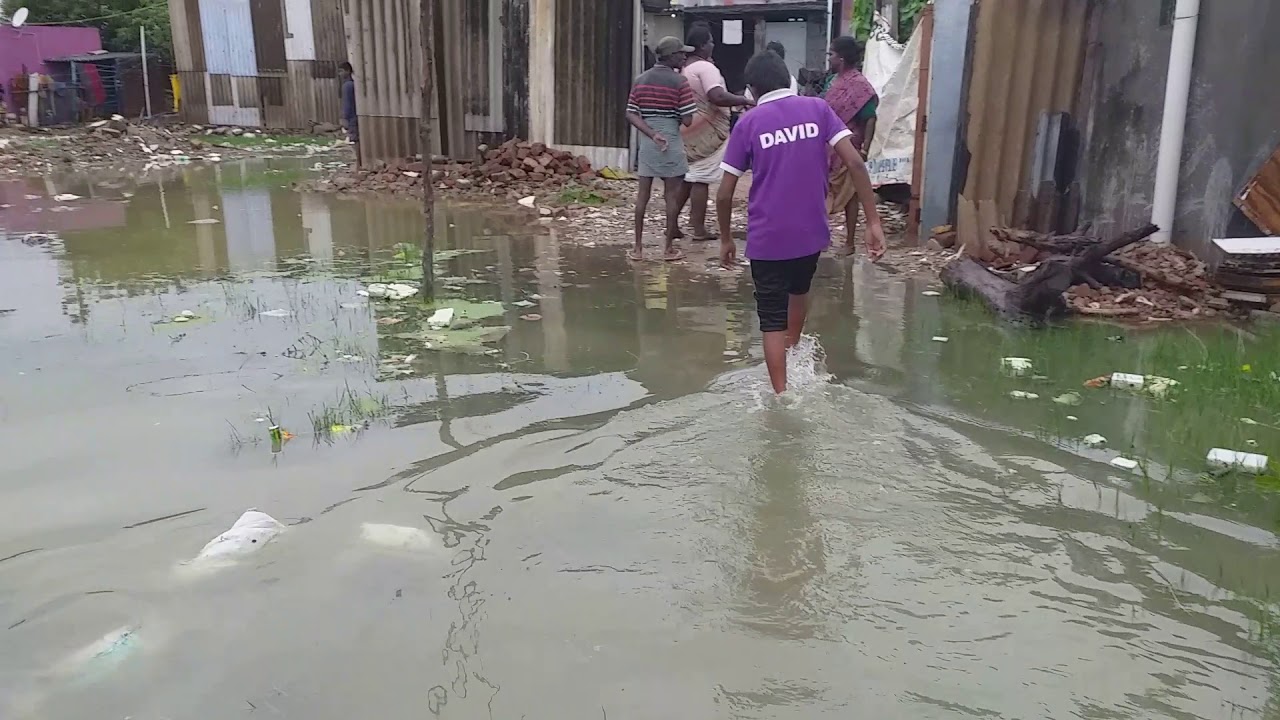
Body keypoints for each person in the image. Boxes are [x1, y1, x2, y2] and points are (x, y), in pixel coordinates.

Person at [716, 51, 886, 394]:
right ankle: (794, 352)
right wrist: (873, 221)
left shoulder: (749, 123)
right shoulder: (817, 109)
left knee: (770, 320)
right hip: (810, 235)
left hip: (767, 239)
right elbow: (855, 163)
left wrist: (725, 239)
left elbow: (723, 194)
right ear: (788, 78)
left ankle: (781, 394)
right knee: (799, 290)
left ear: (752, 89)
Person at [675, 24, 753, 242]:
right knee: (701, 178)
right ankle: (698, 229)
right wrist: (744, 100)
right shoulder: (705, 68)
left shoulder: (685, 68)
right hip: (706, 131)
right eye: (710, 41)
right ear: (701, 45)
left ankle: (672, 224)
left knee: (688, 178)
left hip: (688, 129)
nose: (713, 45)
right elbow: (717, 96)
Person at [625, 36, 696, 262]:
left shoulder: (641, 79)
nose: (684, 56)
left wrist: (651, 133)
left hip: (648, 143)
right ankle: (667, 249)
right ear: (671, 56)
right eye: (681, 53)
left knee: (642, 197)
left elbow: (631, 113)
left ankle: (637, 249)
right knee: (671, 197)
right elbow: (687, 120)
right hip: (671, 141)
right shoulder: (680, 82)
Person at [823, 36, 879, 250]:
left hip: (849, 145)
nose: (829, 58)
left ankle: (849, 242)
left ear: (842, 58)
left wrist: (865, 147)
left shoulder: (860, 86)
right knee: (824, 190)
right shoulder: (832, 81)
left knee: (851, 194)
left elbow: (870, 117)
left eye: (831, 54)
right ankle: (823, 236)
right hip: (828, 146)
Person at [339, 61, 359, 164]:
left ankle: (359, 162)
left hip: (351, 117)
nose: (340, 74)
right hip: (355, 116)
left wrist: (344, 118)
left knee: (354, 139)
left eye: (341, 71)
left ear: (348, 71)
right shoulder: (353, 84)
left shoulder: (347, 85)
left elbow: (347, 104)